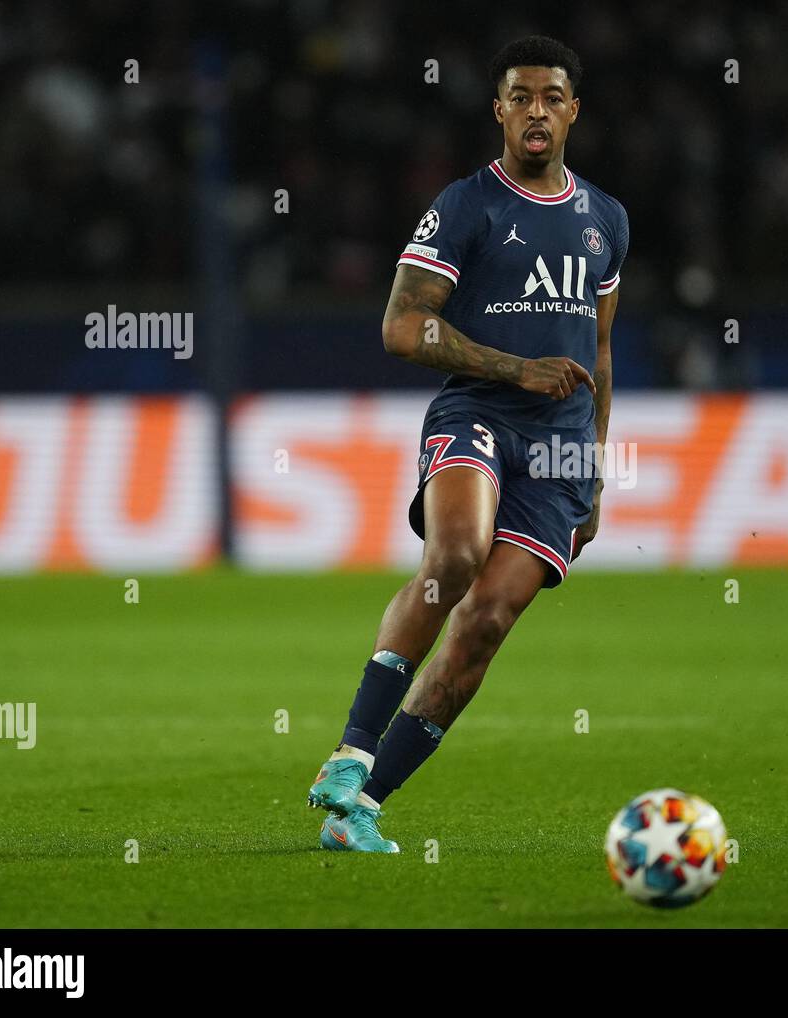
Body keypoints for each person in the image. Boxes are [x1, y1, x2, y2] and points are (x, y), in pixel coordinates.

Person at [308, 35, 629, 852]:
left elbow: (599, 354)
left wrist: (592, 472)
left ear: (573, 111)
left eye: (551, 97)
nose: (536, 111)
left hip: (560, 450)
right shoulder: (465, 206)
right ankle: (350, 751)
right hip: (477, 413)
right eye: (520, 97)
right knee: (454, 557)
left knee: (485, 624)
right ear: (499, 111)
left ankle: (361, 808)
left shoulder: (606, 220)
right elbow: (401, 326)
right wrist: (515, 368)